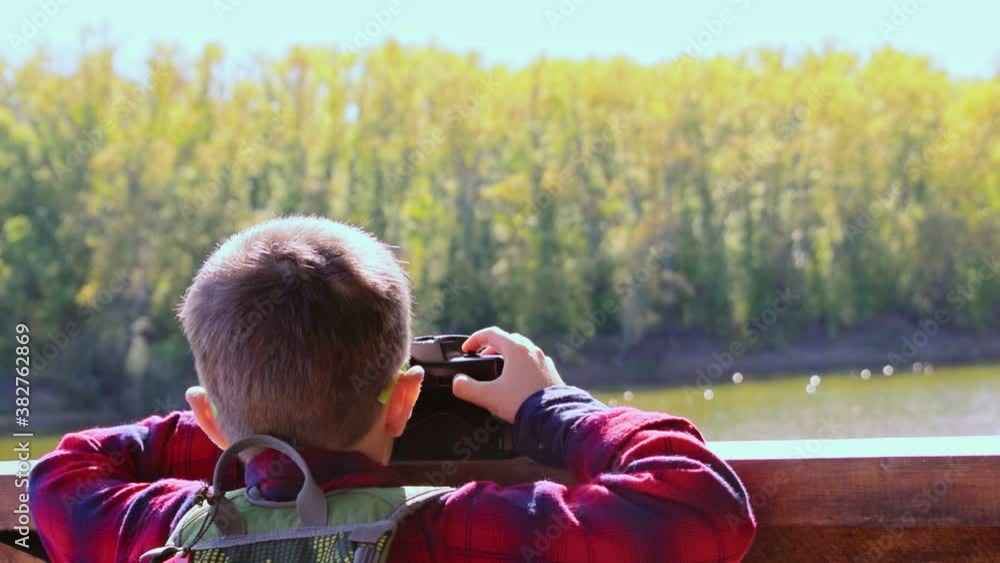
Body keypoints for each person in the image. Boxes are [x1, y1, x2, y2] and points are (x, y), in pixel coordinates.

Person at [29, 216, 756, 562]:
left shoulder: (158, 531)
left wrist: (243, 422)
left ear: (206, 418)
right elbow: (702, 504)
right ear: (405, 399)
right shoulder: (451, 536)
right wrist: (548, 407)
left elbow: (63, 474)